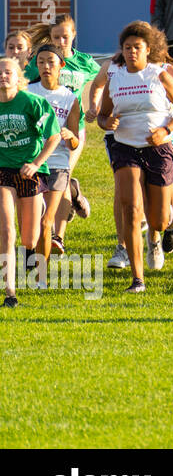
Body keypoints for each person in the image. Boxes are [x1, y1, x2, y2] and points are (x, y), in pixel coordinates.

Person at [96, 22, 173, 294]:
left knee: (158, 220)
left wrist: (166, 129)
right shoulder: (115, 76)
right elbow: (103, 115)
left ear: (148, 50)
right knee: (131, 209)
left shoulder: (160, 74)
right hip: (125, 148)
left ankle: (168, 224)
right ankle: (137, 279)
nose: (131, 52)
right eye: (127, 48)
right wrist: (108, 123)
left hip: (158, 149)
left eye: (137, 48)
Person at [22, 16, 98, 241]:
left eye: (66, 37)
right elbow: (22, 82)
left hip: (74, 128)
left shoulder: (85, 62)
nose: (62, 41)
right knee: (54, 180)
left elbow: (105, 77)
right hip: (45, 131)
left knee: (62, 175)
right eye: (57, 37)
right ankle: (70, 196)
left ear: (74, 35)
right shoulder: (44, 60)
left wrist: (95, 105)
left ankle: (58, 237)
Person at [0, 57, 60, 306]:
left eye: (8, 72)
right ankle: (9, 291)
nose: (3, 76)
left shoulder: (33, 103)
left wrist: (36, 163)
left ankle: (41, 208)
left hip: (31, 172)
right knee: (6, 231)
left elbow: (54, 136)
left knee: (29, 240)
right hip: (3, 171)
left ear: (18, 78)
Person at [26, 46, 83, 274]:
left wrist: (70, 137)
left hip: (58, 164)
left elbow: (75, 143)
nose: (46, 66)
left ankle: (40, 277)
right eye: (41, 62)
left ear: (61, 66)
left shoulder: (70, 99)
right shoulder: (28, 92)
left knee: (46, 221)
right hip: (30, 163)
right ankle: (31, 259)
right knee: (32, 223)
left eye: (50, 62)